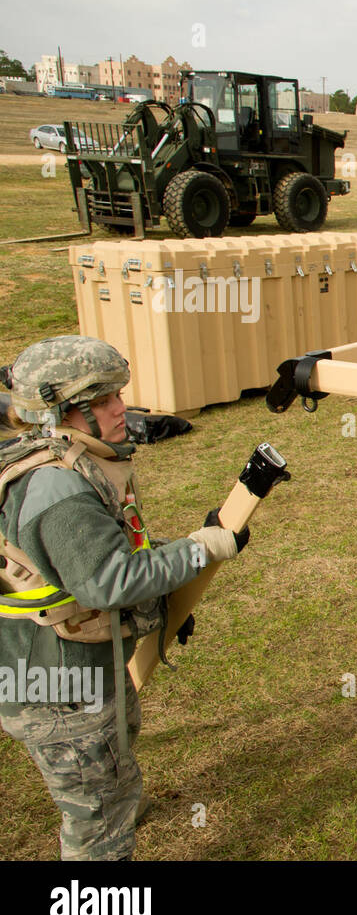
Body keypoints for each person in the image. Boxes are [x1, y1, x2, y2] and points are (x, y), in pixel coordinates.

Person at [0, 335, 248, 860]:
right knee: (97, 821)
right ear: (61, 412)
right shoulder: (59, 488)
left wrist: (165, 597)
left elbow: (100, 558)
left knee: (117, 745)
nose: (122, 409)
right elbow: (108, 581)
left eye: (117, 395)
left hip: (63, 666)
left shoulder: (54, 459)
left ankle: (116, 797)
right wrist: (198, 552)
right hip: (63, 686)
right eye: (103, 401)